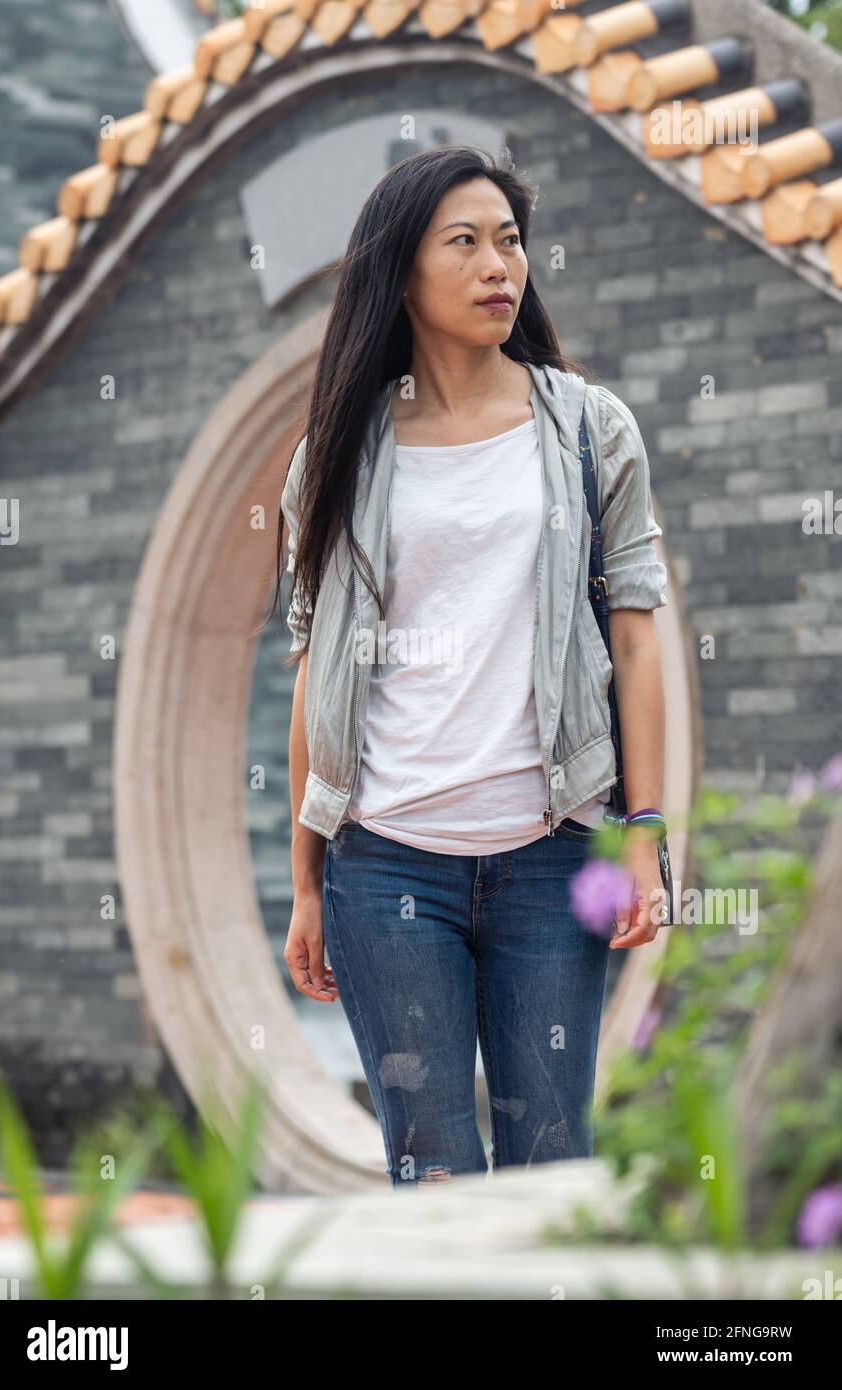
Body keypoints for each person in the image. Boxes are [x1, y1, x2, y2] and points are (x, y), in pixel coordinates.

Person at [264, 145, 669, 1188]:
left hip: (549, 854)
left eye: (511, 241)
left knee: (548, 1165)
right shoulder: (336, 455)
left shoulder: (587, 427)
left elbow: (635, 630)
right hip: (386, 860)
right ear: (401, 270)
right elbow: (317, 669)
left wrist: (646, 832)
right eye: (466, 243)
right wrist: (306, 881)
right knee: (431, 1169)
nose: (500, 265)